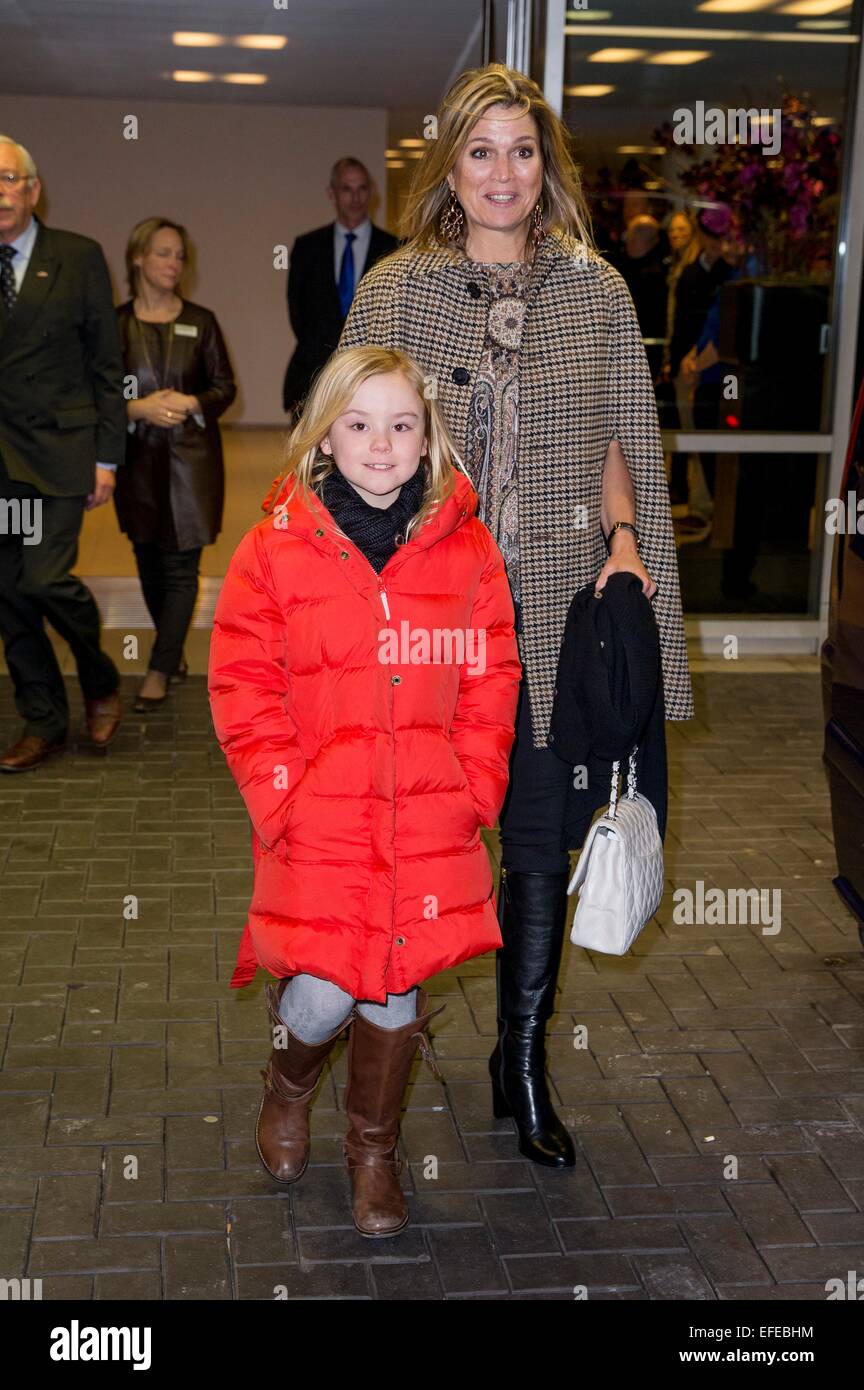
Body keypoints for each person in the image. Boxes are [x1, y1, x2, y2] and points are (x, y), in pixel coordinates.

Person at [339, 63, 693, 1170]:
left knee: (538, 836)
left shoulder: (598, 290)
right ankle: (358, 1075)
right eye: (481, 151)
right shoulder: (397, 289)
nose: (503, 172)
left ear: (549, 169)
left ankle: (522, 1063)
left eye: (523, 151)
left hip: (553, 605)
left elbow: (620, 440)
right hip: (431, 609)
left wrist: (627, 545)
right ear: (450, 164)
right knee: (420, 838)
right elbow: (344, 441)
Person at [208, 346, 521, 1236]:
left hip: (429, 818)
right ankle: (286, 1086)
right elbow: (242, 683)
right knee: (321, 995)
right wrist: (284, 799)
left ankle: (373, 1154)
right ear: (325, 435)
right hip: (319, 821)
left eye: (401, 425)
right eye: (358, 424)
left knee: (397, 988)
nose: (380, 445)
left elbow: (492, 672)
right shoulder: (276, 549)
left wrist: (475, 785)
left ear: (427, 439)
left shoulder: (466, 550)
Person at [0, 134, 125, 771]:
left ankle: (100, 677)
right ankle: (43, 718)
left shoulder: (76, 257)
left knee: (45, 579)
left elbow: (107, 365)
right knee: (10, 594)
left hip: (56, 456)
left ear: (31, 188)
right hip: (1, 469)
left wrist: (107, 457)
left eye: (6, 178)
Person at [114, 218, 236, 710]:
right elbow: (98, 391)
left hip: (192, 463)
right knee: (147, 557)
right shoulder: (116, 324)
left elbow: (224, 389)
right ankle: (171, 651)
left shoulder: (201, 321)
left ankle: (160, 666)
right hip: (136, 462)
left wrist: (188, 403)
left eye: (180, 255)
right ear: (138, 257)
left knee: (183, 564)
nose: (174, 264)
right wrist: (135, 408)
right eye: (163, 253)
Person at [281, 158, 397, 417]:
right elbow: (297, 312)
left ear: (371, 192)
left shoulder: (394, 249)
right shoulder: (308, 247)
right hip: (314, 372)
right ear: (331, 193)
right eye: (347, 189)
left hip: (374, 373)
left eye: (362, 189)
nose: (355, 198)